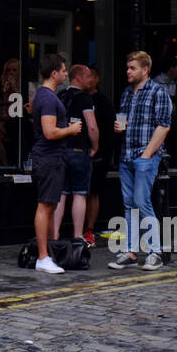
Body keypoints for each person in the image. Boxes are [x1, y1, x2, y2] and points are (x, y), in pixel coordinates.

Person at [108, 51, 173, 271]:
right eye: (127, 67)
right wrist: (120, 127)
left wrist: (147, 155)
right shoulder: (127, 93)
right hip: (126, 155)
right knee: (129, 205)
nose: (128, 71)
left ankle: (156, 251)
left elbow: (164, 126)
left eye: (132, 68)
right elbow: (124, 121)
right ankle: (131, 251)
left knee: (142, 202)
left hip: (145, 156)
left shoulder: (158, 91)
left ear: (145, 70)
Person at [26, 54, 83, 273]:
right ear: (54, 73)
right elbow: (49, 132)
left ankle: (48, 252)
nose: (66, 74)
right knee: (45, 205)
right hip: (49, 157)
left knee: (50, 205)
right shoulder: (49, 98)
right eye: (64, 70)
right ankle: (42, 257)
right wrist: (70, 129)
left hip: (51, 157)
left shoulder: (43, 95)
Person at [54, 64, 98, 244]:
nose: (91, 80)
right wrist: (95, 146)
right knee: (79, 194)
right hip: (79, 151)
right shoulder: (85, 99)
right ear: (78, 77)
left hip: (60, 150)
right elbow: (92, 126)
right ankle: (78, 237)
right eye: (88, 76)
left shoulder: (59, 96)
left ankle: (54, 236)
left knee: (61, 194)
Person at [81, 63, 115, 241]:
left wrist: (100, 153)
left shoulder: (103, 102)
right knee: (80, 193)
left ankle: (89, 229)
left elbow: (108, 131)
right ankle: (78, 229)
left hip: (98, 155)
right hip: (81, 153)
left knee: (93, 192)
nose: (86, 79)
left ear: (96, 79)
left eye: (89, 76)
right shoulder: (79, 98)